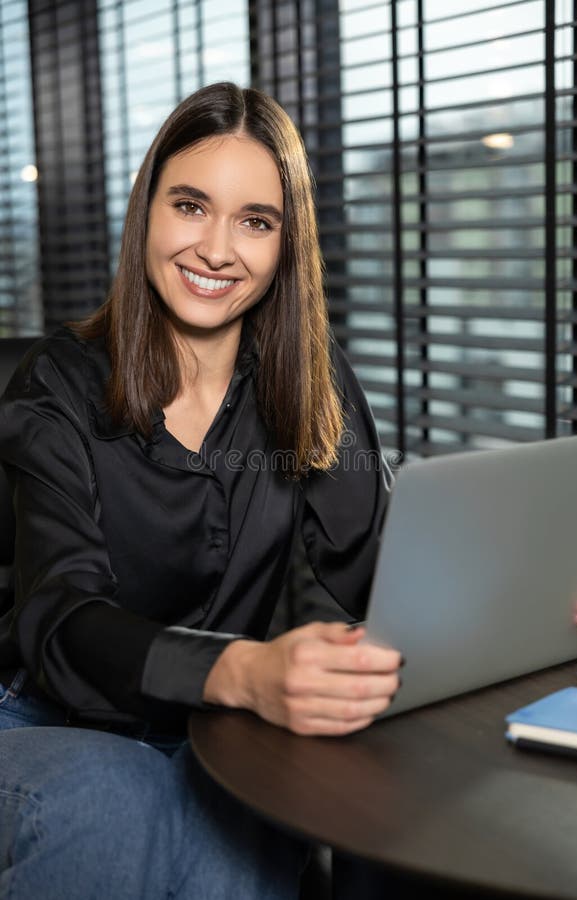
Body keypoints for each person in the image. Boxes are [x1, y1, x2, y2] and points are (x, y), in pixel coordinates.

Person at [0, 82, 401, 898]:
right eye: (191, 206)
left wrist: (552, 593)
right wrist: (244, 674)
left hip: (222, 738)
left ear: (287, 246)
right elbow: (61, 620)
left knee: (241, 829)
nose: (218, 249)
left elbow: (385, 580)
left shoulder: (313, 390)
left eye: (256, 221)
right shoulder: (58, 387)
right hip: (38, 721)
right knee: (118, 799)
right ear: (148, 210)